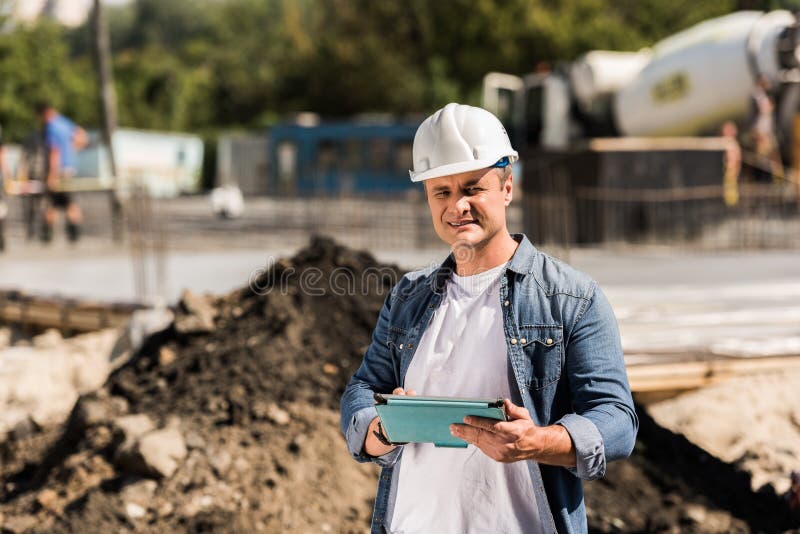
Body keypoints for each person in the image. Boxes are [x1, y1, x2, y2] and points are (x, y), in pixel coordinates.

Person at [341, 103, 637, 534]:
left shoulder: (571, 299)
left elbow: (617, 420)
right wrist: (382, 430)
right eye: (441, 192)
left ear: (507, 187)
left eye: (472, 188)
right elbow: (363, 389)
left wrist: (538, 442)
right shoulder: (408, 296)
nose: (457, 205)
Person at [36, 101, 88, 242]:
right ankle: (72, 236)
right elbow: (83, 136)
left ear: (44, 113)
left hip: (59, 172)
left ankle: (49, 236)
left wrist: (52, 175)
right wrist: (72, 150)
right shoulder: (64, 122)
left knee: (58, 203)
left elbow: (55, 152)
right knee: (65, 202)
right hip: (69, 169)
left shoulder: (51, 127)